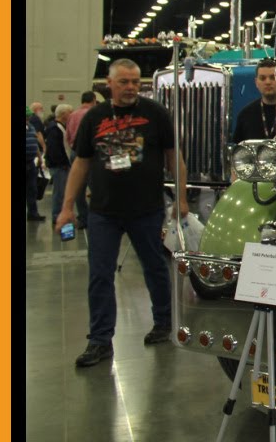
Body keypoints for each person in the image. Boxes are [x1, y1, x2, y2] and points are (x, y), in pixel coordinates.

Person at [55, 59, 188, 368]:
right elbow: (81, 163)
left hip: (146, 209)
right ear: (109, 85)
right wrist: (66, 207)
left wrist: (181, 198)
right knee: (100, 275)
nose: (130, 88)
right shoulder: (94, 118)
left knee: (154, 267)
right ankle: (100, 341)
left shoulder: (156, 114)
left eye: (135, 82)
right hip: (103, 211)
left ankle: (163, 323)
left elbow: (173, 156)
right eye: (124, 82)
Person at [233, 58, 276, 150]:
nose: (268, 82)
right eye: (263, 78)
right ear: (256, 82)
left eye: (273, 77)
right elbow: (238, 151)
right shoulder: (246, 115)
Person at [65, 91, 97, 229]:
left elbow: (67, 135)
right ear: (94, 100)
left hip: (75, 151)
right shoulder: (93, 114)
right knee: (95, 186)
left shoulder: (72, 115)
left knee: (78, 188)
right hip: (90, 154)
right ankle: (98, 217)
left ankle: (83, 217)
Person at [45, 104, 73, 224]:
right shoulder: (54, 128)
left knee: (62, 191)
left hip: (62, 164)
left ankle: (60, 213)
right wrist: (62, 162)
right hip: (59, 165)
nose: (71, 115)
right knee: (59, 192)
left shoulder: (60, 126)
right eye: (69, 113)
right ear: (63, 114)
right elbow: (54, 148)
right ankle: (57, 215)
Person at [24, 107, 45, 221]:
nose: (28, 118)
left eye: (29, 116)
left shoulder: (31, 127)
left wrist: (39, 157)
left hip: (31, 163)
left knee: (32, 189)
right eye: (27, 116)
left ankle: (33, 213)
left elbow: (35, 142)